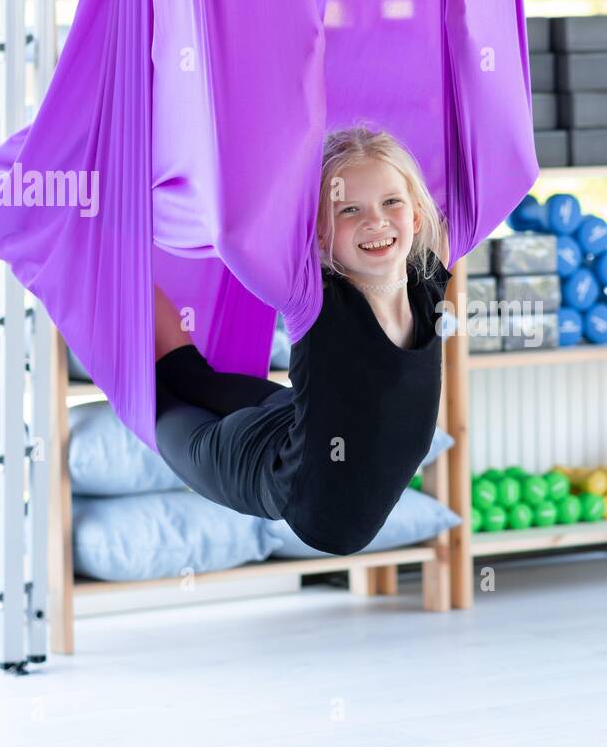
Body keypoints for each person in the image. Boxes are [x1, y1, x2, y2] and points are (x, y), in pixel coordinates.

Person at [152, 126, 453, 556]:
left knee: (188, 377)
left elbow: (500, 174)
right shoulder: (311, 298)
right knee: (157, 401)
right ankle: (113, 256)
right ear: (322, 233)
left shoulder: (428, 278)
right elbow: (234, 234)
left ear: (417, 215)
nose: (375, 220)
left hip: (289, 422)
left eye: (391, 202)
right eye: (349, 209)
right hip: (264, 473)